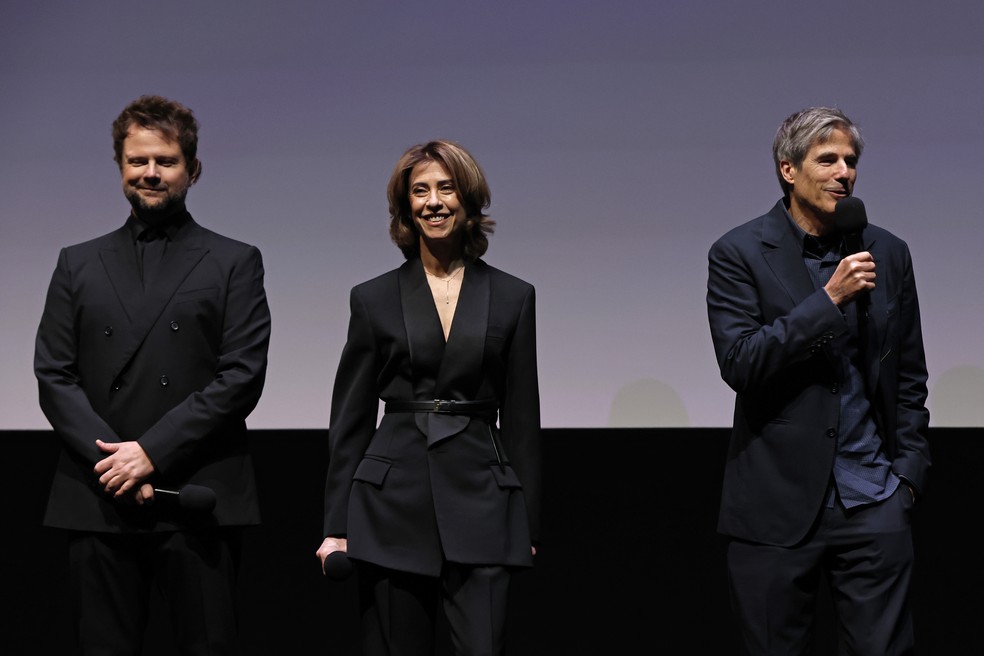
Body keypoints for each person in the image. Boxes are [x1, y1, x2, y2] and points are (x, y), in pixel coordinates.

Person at [34, 95, 271, 654]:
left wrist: (151, 452)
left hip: (196, 491)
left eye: (165, 161)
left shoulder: (233, 260)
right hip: (98, 496)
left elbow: (242, 375)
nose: (150, 172)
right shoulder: (78, 261)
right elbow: (53, 374)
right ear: (120, 166)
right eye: (137, 160)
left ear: (192, 168)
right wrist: (115, 464)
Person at [706, 107, 931, 655]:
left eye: (850, 161)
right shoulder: (738, 253)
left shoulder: (887, 252)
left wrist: (907, 479)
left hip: (874, 500)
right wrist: (828, 300)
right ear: (788, 170)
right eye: (826, 159)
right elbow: (741, 363)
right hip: (776, 508)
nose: (843, 172)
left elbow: (908, 376)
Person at [316, 140, 540, 655]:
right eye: (420, 191)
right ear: (405, 206)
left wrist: (527, 519)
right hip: (390, 503)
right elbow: (349, 420)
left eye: (446, 188)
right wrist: (336, 525)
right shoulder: (371, 298)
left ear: (468, 200)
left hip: (484, 500)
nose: (434, 201)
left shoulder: (513, 296)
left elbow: (523, 417)